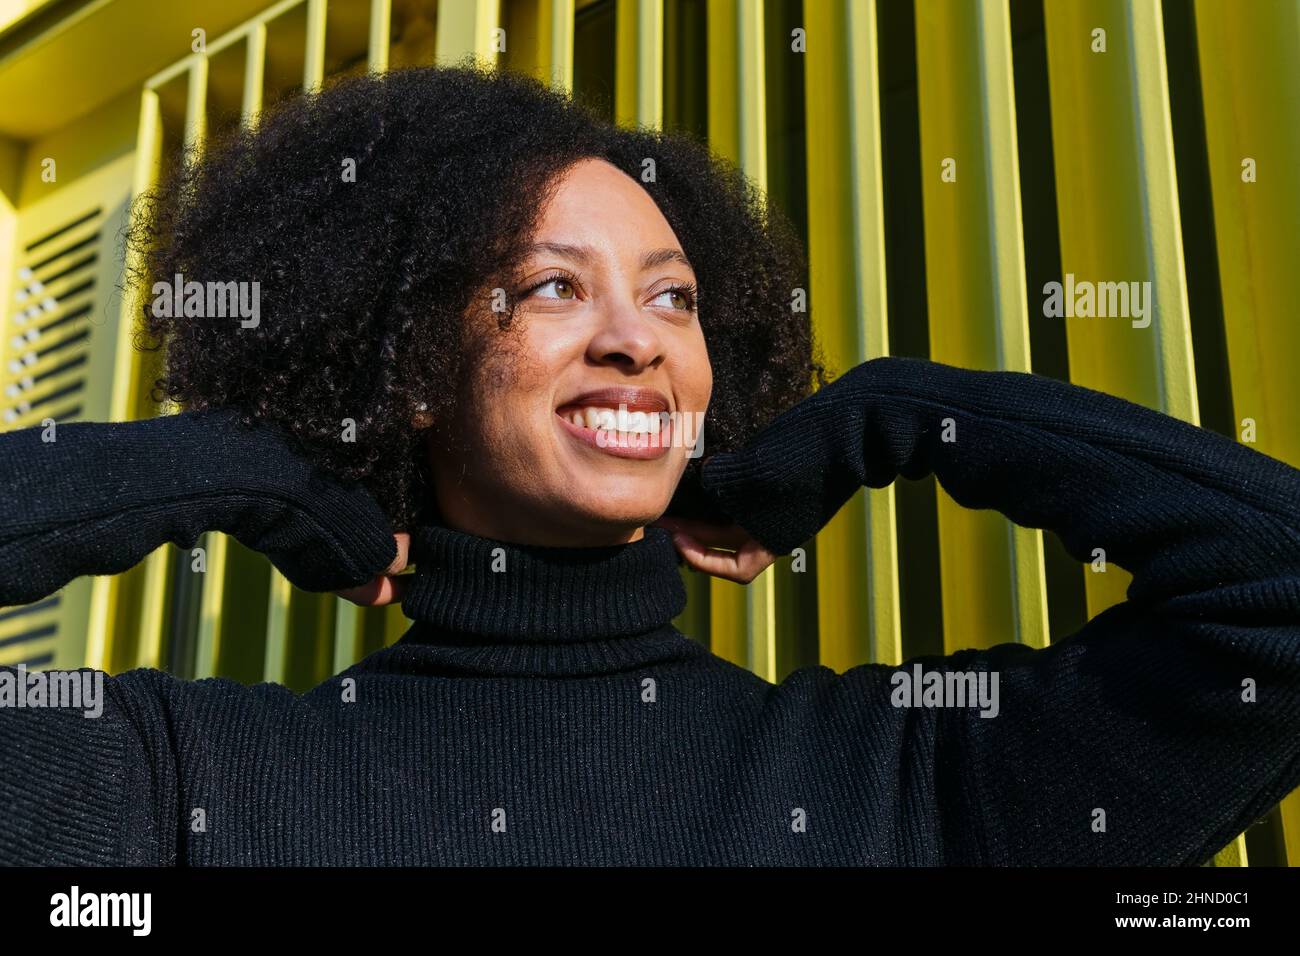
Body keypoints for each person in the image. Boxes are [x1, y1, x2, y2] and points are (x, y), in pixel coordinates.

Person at [1, 64, 1298, 866]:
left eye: (675, 300)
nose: (634, 340)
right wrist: (227, 469)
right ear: (401, 367)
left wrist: (904, 413)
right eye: (551, 287)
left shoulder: (899, 777)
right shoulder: (177, 783)